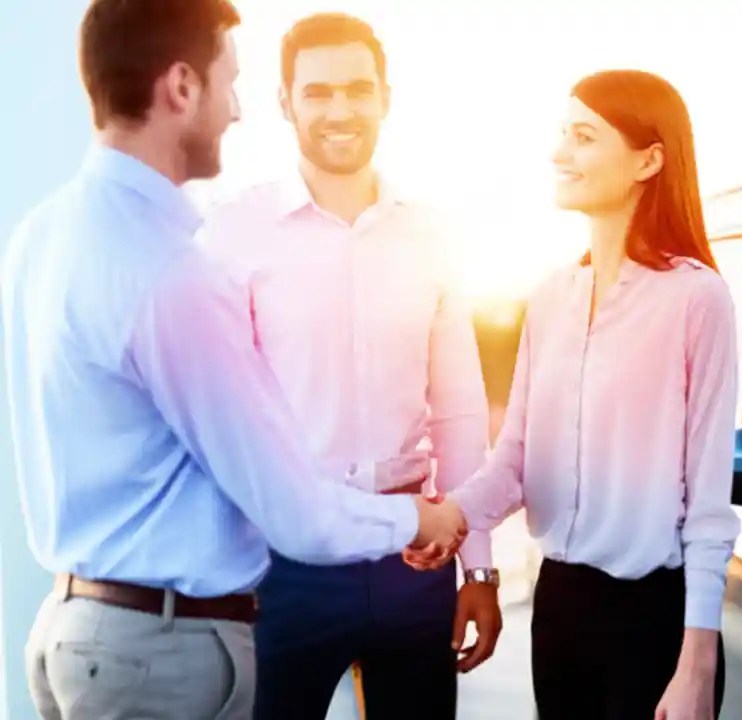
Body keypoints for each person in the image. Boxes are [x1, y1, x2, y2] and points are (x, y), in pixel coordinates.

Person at [3, 2, 465, 718]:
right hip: (162, 651)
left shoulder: (42, 234)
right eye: (230, 82)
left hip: (76, 628)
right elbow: (295, 513)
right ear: (182, 88)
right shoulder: (172, 267)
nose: (238, 109)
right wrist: (422, 522)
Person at [412, 69, 741, 720]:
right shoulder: (551, 296)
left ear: (649, 159)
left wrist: (696, 662)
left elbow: (708, 504)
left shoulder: (696, 299)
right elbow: (516, 462)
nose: (560, 154)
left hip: (654, 621)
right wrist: (450, 518)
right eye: (563, 135)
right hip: (560, 611)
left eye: (584, 137)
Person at [198, 13, 500, 719]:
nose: (340, 111)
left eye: (358, 90)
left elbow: (457, 411)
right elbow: (210, 412)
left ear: (385, 98)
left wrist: (478, 564)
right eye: (319, 92)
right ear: (285, 103)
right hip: (281, 568)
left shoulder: (431, 234)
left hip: (411, 558)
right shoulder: (234, 232)